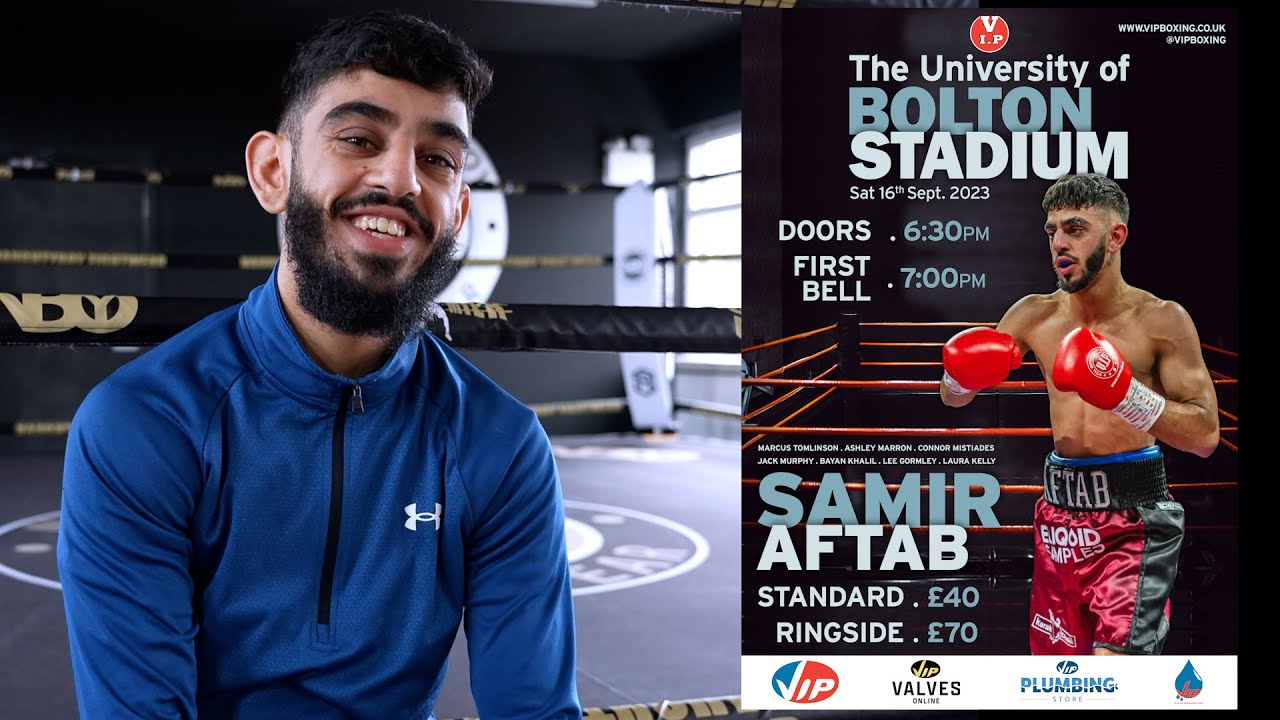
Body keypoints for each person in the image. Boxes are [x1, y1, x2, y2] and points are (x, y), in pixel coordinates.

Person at [57, 10, 581, 718]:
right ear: (274, 172)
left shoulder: (500, 444)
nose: (400, 179)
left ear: (459, 211)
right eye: (359, 139)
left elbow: (536, 711)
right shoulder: (145, 423)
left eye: (438, 159)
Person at [938, 173, 1220, 656]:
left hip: (1135, 521)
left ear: (1115, 237)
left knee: (1116, 670)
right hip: (1058, 520)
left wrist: (1125, 394)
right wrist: (960, 375)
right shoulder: (1033, 314)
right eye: (1051, 231)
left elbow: (1205, 435)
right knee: (1059, 685)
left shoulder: (1161, 320)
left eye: (1075, 228)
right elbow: (955, 400)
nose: (1059, 243)